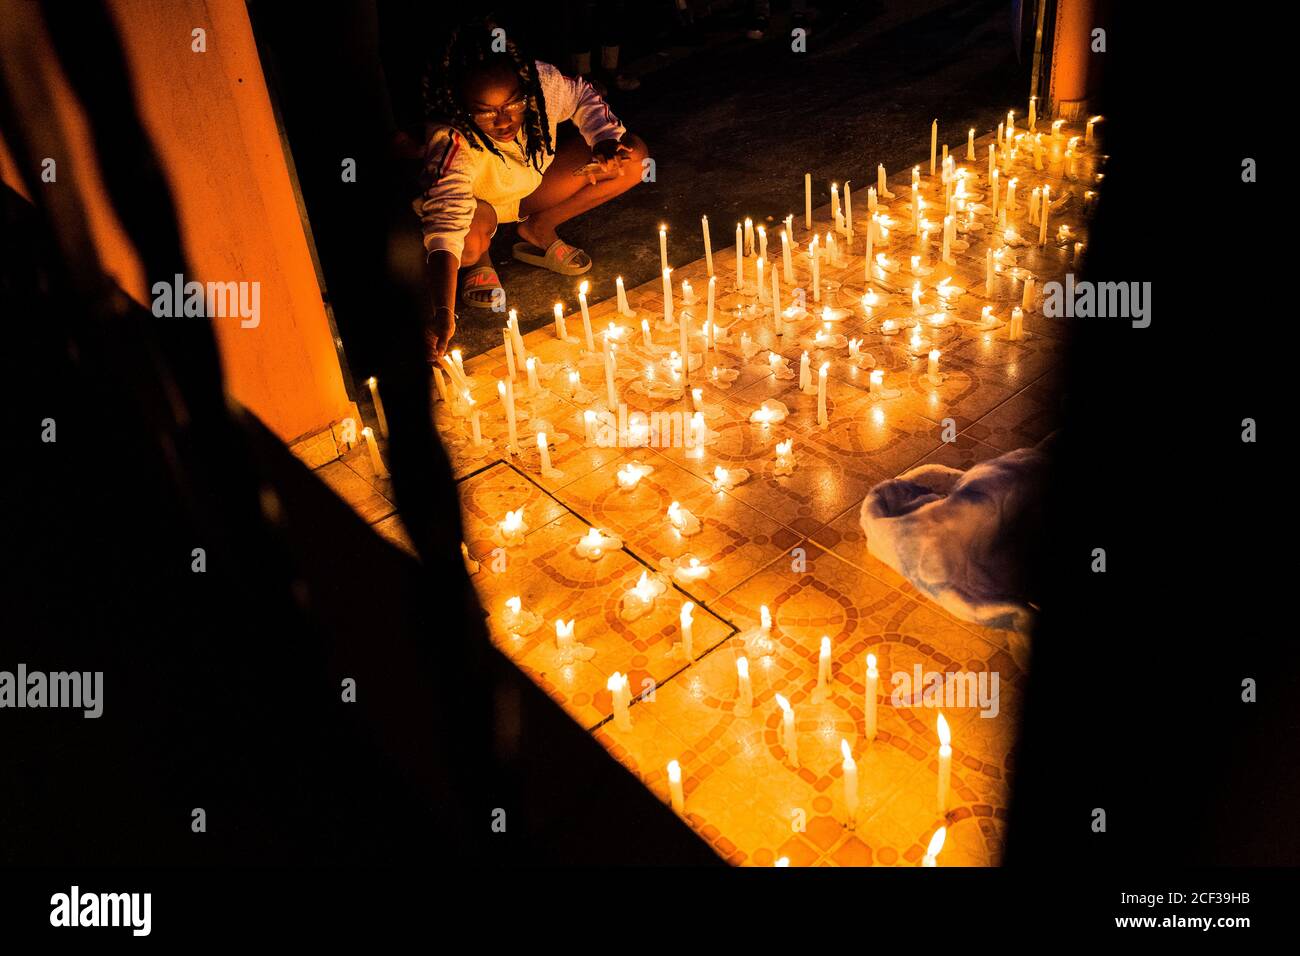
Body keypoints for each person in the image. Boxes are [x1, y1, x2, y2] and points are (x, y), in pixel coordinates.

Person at [416, 17, 649, 359]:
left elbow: (583, 95)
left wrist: (603, 139)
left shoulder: (541, 83)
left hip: (528, 189)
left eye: (513, 104)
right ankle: (481, 257)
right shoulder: (450, 139)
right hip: (478, 208)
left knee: (633, 160)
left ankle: (538, 227)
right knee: (462, 247)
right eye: (486, 113)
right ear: (462, 109)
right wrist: (442, 314)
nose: (505, 120)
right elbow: (445, 229)